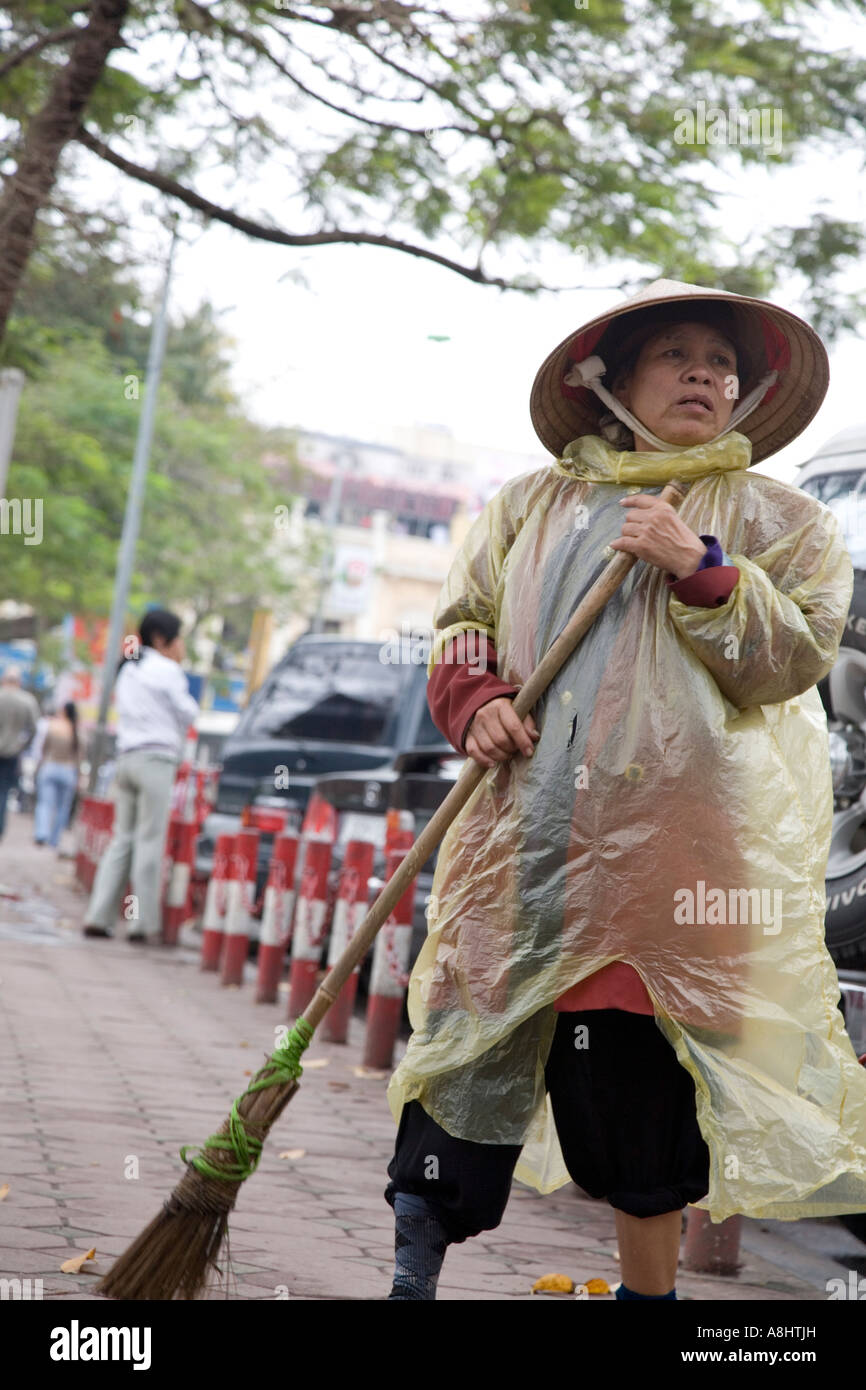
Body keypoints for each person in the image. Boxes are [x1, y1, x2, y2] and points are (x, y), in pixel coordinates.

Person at [382, 279, 866, 1301]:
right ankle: (409, 1275)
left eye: (722, 363)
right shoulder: (528, 504)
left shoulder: (780, 521)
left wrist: (701, 568)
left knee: (636, 1095)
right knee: (466, 1056)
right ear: (607, 381)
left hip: (673, 869)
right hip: (520, 844)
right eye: (676, 355)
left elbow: (792, 654)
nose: (705, 373)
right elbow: (461, 619)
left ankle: (651, 1299)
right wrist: (473, 701)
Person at [83, 609, 198, 943]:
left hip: (127, 758)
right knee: (150, 841)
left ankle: (99, 916)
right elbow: (188, 712)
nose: (181, 644)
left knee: (123, 840)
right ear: (162, 639)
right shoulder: (167, 669)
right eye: (178, 638)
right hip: (155, 760)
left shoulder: (128, 668)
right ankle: (142, 923)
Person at [32, 701, 81, 849]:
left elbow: (43, 749)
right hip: (68, 770)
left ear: (64, 711)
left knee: (45, 804)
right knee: (62, 808)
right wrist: (78, 776)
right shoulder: (77, 730)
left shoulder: (53, 726)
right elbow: (79, 757)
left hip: (50, 767)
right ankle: (54, 840)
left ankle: (42, 834)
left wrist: (39, 766)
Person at [0, 667, 40, 841]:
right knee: (3, 792)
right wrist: (22, 745)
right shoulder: (27, 701)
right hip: (12, 753)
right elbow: (34, 729)